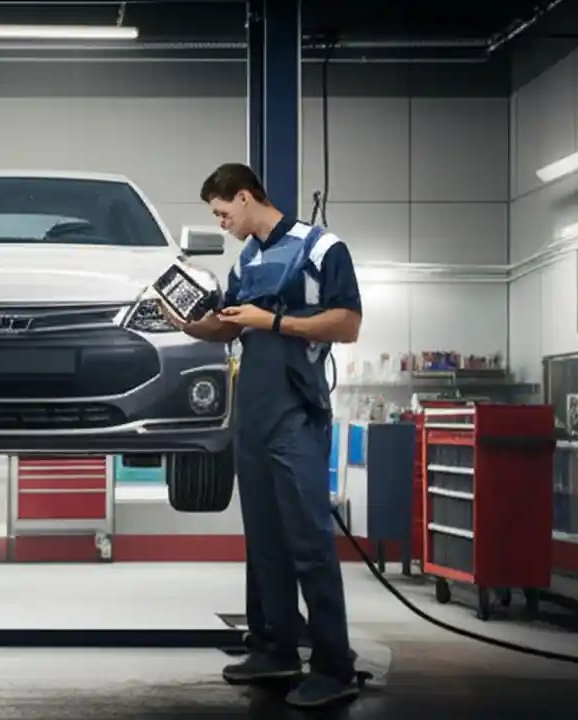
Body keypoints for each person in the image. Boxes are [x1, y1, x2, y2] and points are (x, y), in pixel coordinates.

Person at [165, 163, 363, 709]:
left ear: (246, 197)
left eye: (222, 213)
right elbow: (231, 323)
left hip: (296, 413)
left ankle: (334, 665)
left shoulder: (321, 248)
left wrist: (273, 321)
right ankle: (276, 648)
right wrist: (186, 323)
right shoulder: (247, 258)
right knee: (265, 543)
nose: (221, 223)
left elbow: (348, 323)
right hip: (252, 415)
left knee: (309, 543)